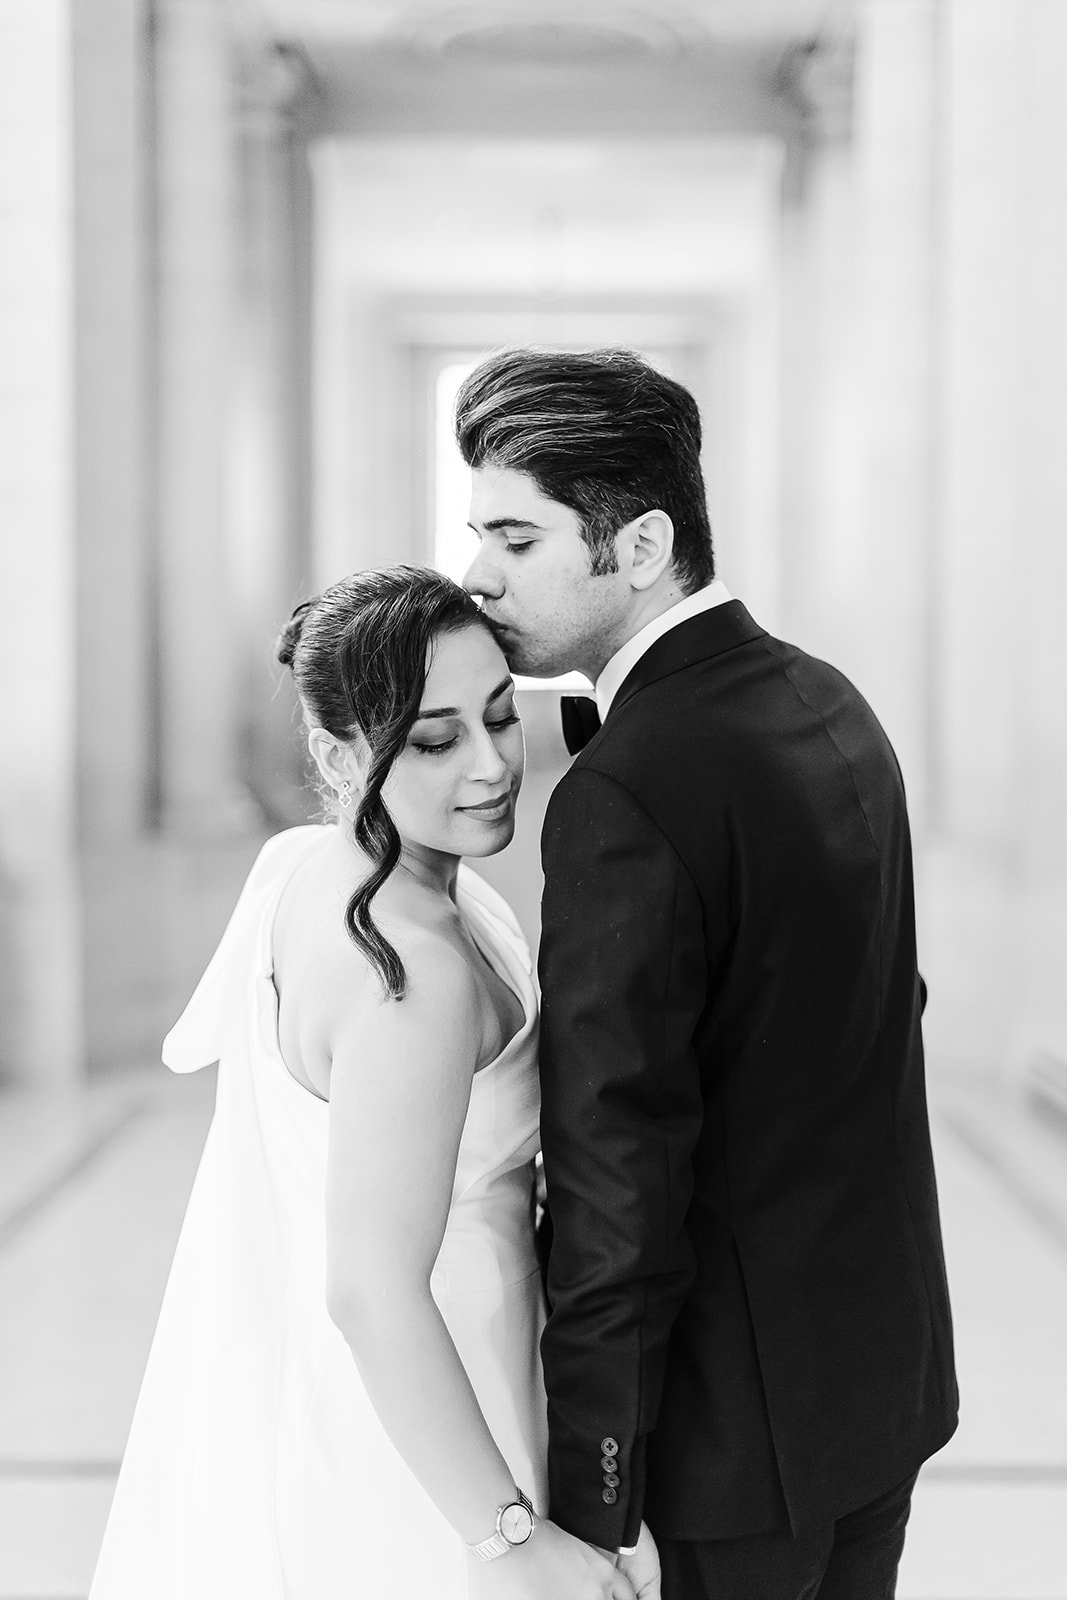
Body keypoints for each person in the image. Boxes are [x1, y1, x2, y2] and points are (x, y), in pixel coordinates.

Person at [456, 348, 959, 1600]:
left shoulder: (626, 794)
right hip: (873, 1390)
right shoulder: (824, 702)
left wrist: (593, 1495)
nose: (478, 576)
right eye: (477, 537)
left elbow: (614, 1163)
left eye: (516, 539)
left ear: (639, 546)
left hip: (725, 1454)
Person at [89, 566, 638, 1600]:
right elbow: (372, 1290)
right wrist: (510, 1540)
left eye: (497, 716)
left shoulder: (317, 869)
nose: (491, 764)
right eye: (434, 740)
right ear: (339, 754)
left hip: (403, 1391)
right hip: (429, 1436)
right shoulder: (408, 973)